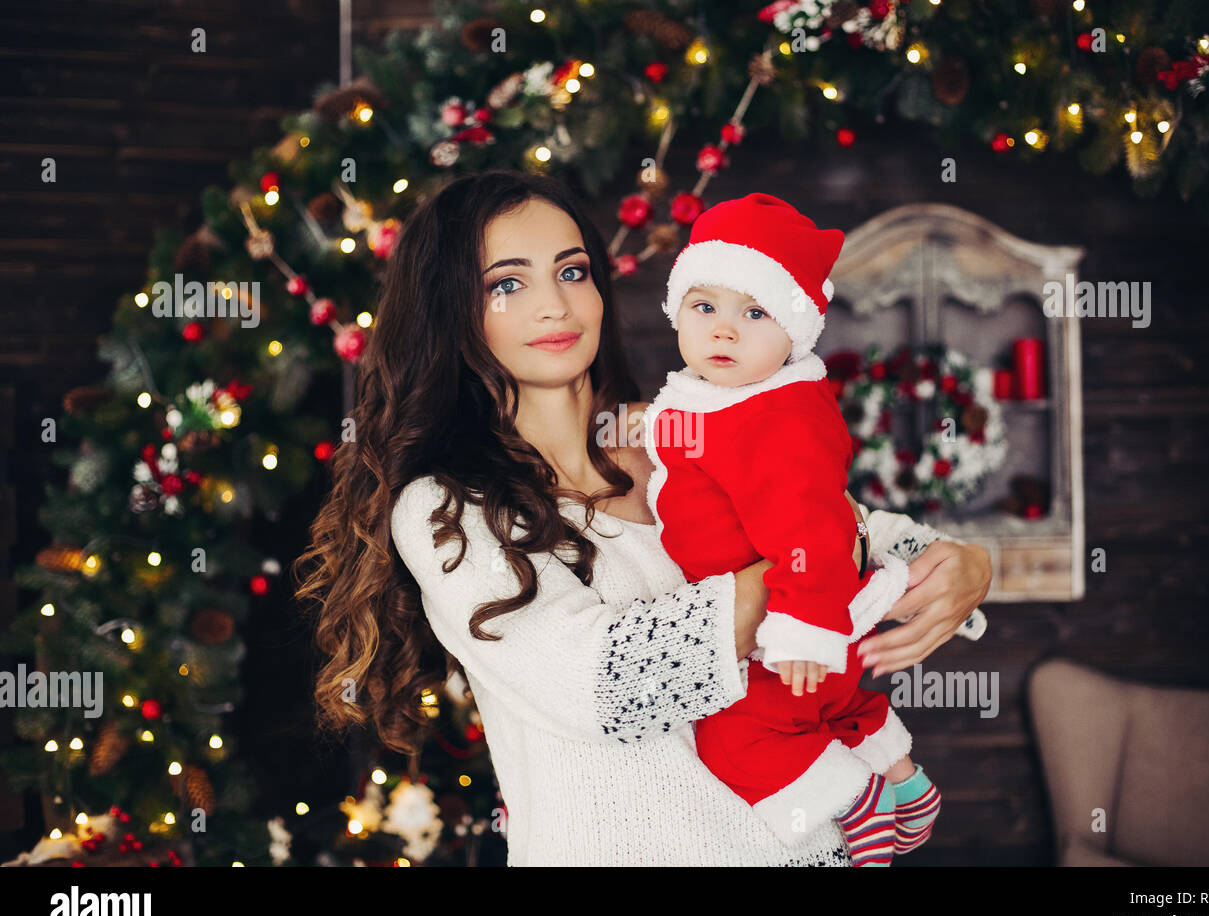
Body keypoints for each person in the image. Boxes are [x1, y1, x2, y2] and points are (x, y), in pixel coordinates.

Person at [294, 169, 992, 866]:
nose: (555, 306)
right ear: (450, 313)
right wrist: (812, 568)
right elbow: (606, 683)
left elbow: (830, 515)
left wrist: (964, 563)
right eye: (507, 284)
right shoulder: (449, 507)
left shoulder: (677, 435)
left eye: (572, 271)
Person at [646, 192, 937, 865]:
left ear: (795, 332)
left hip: (785, 638)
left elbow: (809, 522)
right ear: (677, 309)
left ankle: (853, 802)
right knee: (835, 712)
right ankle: (905, 781)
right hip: (806, 641)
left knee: (733, 742)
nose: (724, 331)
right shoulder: (727, 399)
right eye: (705, 306)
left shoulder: (771, 418)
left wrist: (802, 623)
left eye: (755, 312)